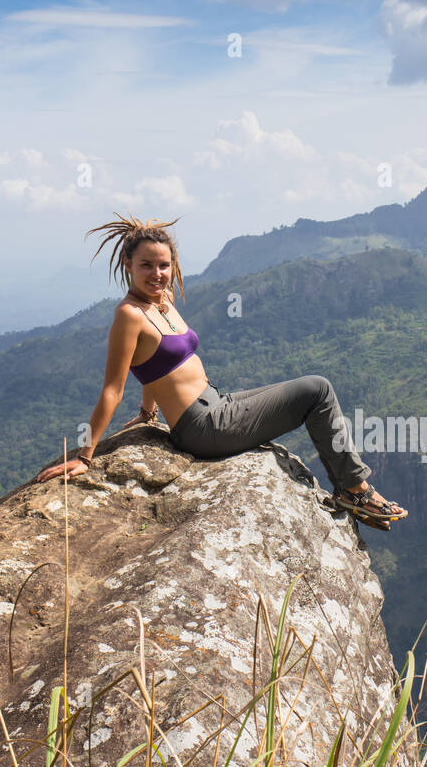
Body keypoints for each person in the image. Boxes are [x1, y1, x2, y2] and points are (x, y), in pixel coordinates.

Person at [35, 214, 408, 531]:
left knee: (314, 391)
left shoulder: (162, 302)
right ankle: (354, 489)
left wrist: (149, 412)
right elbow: (113, 388)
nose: (157, 273)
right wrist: (85, 456)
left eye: (163, 265)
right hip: (204, 427)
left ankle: (350, 487)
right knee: (318, 390)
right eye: (146, 265)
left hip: (216, 402)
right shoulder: (128, 314)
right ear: (128, 266)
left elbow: (148, 364)